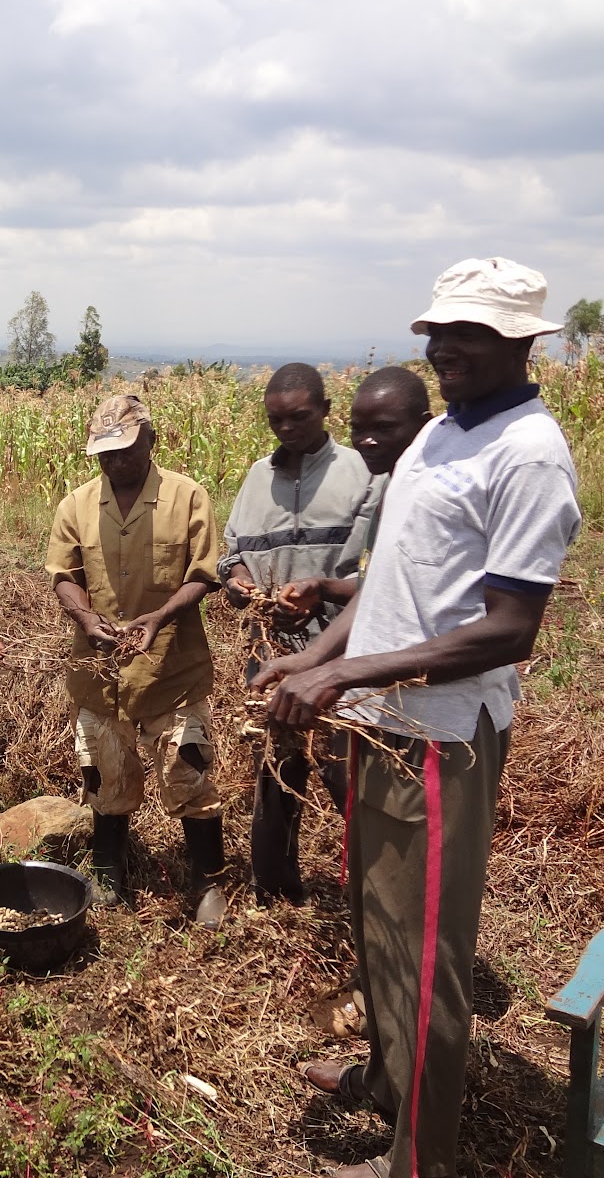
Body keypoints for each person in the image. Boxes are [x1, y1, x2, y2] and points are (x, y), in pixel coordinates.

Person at [255, 258, 580, 1178]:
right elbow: (396, 580)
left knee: (429, 944)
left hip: (440, 736)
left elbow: (511, 629)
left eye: (468, 335)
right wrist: (318, 659)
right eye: (439, 333)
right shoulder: (441, 435)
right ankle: (387, 1080)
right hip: (377, 722)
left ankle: (419, 1159)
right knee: (375, 917)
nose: (445, 351)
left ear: (521, 342)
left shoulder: (528, 455)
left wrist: (350, 670)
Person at [45, 393, 228, 928]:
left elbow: (201, 574)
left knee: (187, 773)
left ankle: (207, 884)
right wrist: (84, 619)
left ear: (152, 439)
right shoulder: (76, 505)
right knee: (106, 776)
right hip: (100, 673)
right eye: (105, 453)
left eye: (125, 450)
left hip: (172, 668)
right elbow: (64, 576)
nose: (115, 461)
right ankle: (109, 875)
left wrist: (158, 617)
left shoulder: (188, 498)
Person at [219, 363, 373, 907]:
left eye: (299, 417)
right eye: (275, 419)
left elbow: (382, 579)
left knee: (346, 774)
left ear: (327, 410)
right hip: (270, 653)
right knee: (276, 769)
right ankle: (276, 892)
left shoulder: (362, 473)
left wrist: (324, 591)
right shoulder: (258, 476)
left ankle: (374, 891)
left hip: (341, 654)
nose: (286, 428)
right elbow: (231, 550)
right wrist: (239, 584)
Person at [277, 368, 434, 615]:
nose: (367, 440)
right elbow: (369, 587)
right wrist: (320, 589)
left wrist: (314, 654)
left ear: (425, 424)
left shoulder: (432, 497)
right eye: (358, 429)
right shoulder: (393, 491)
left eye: (384, 428)